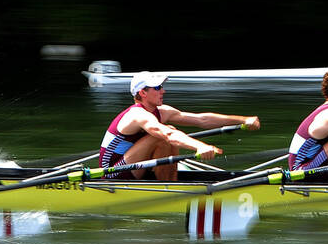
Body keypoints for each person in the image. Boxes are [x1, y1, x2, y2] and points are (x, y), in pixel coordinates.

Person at [99, 72, 261, 181]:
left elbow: (202, 120)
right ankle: (168, 185)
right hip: (113, 172)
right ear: (142, 93)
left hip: (136, 165)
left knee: (168, 134)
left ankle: (170, 181)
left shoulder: (161, 112)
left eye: (161, 86)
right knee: (165, 135)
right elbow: (168, 134)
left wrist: (243, 120)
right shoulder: (137, 115)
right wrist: (200, 147)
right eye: (157, 88)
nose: (163, 91)